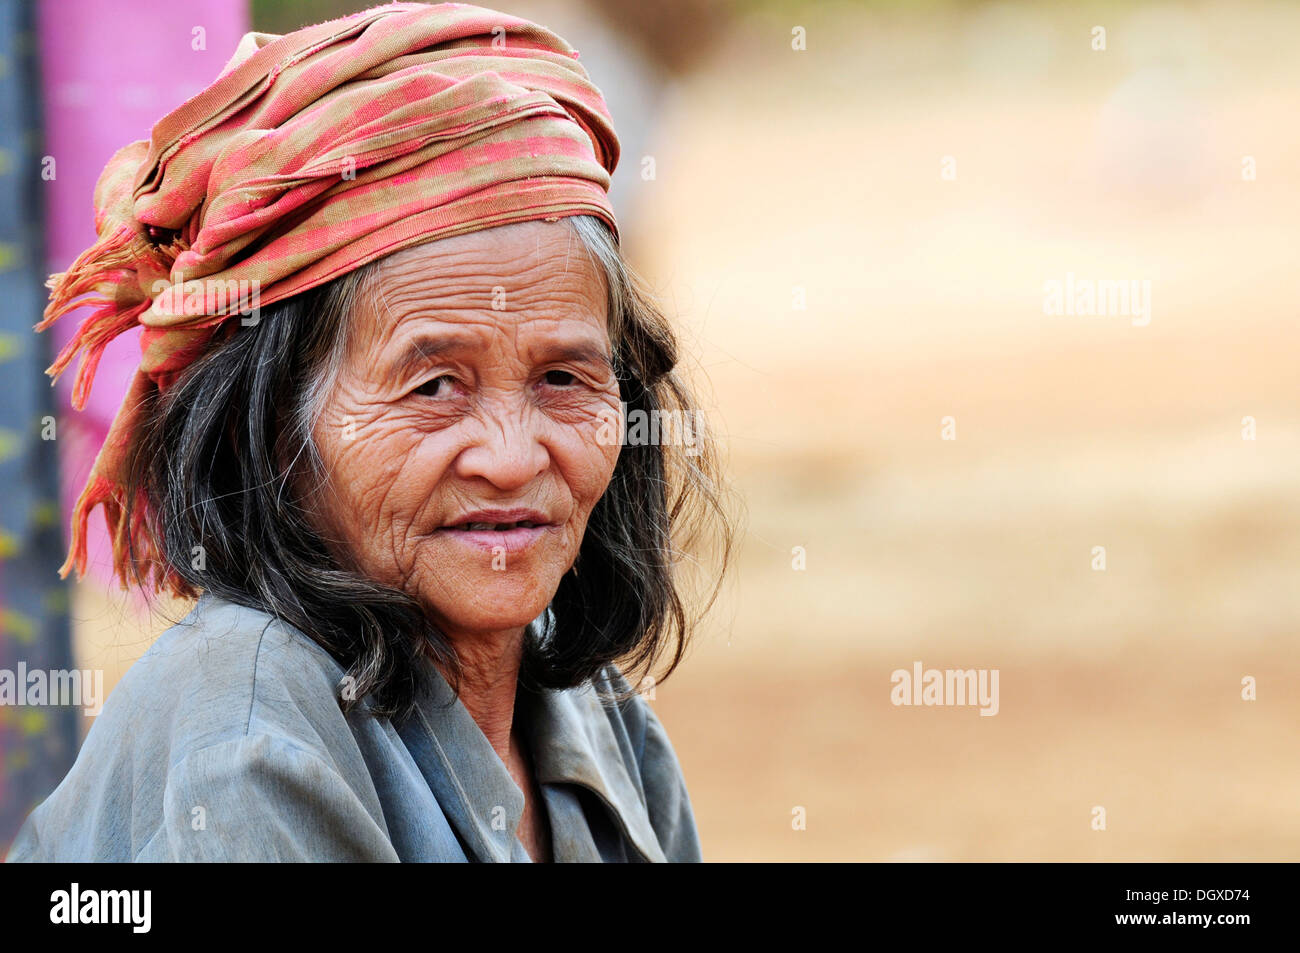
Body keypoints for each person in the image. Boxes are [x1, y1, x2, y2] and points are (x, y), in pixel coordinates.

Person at [6, 1, 729, 863]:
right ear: (272, 424)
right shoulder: (246, 727)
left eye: (563, 379)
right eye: (432, 387)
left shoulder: (590, 714)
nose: (510, 456)